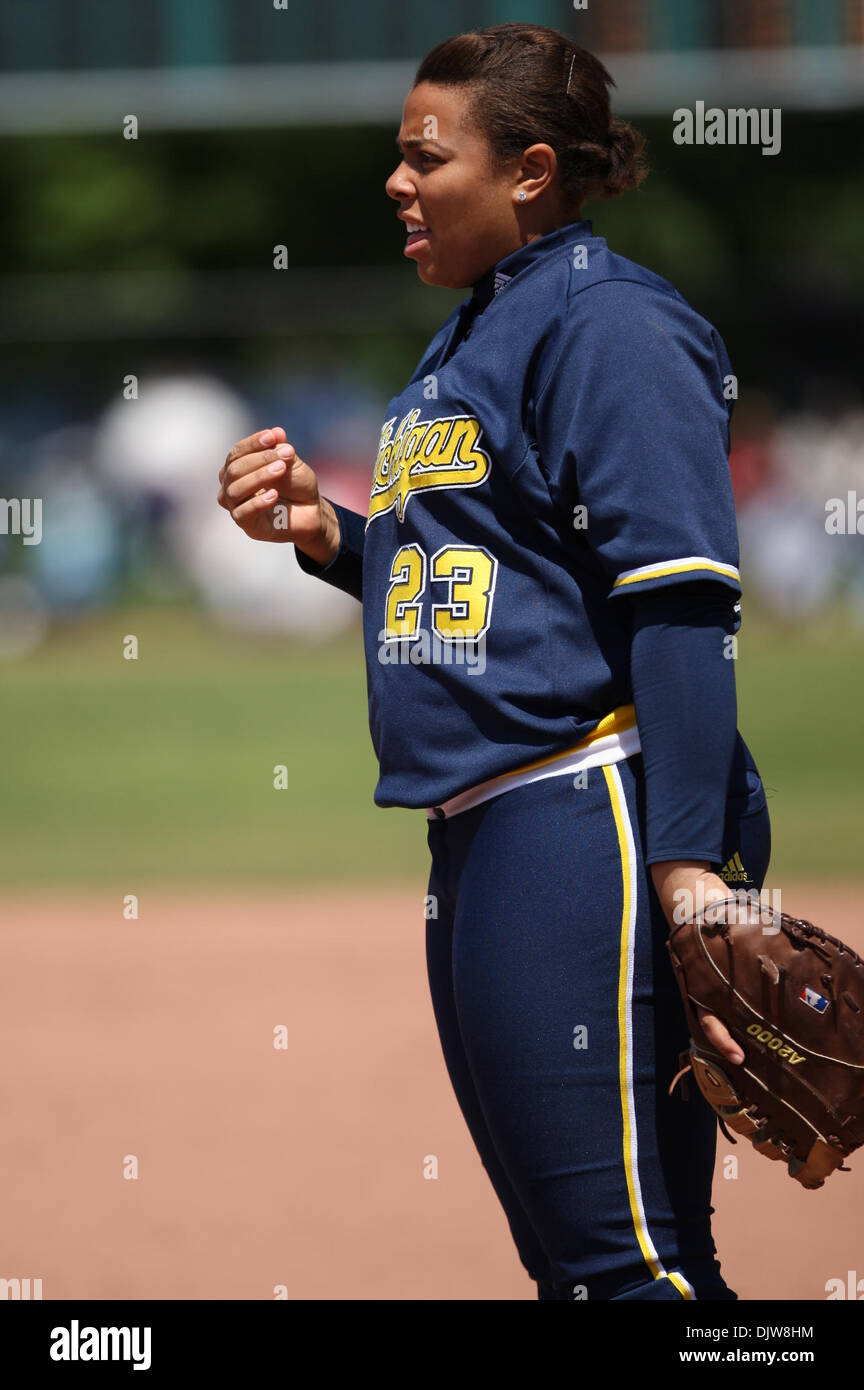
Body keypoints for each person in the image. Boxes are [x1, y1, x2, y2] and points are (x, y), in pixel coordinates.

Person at [217, 23, 771, 1301]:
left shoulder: (610, 323)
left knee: (621, 1273)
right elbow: (489, 585)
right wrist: (330, 535)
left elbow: (684, 606)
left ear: (528, 171)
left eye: (426, 157)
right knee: (598, 1269)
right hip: (493, 831)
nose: (398, 184)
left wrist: (688, 872)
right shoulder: (479, 329)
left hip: (594, 817)